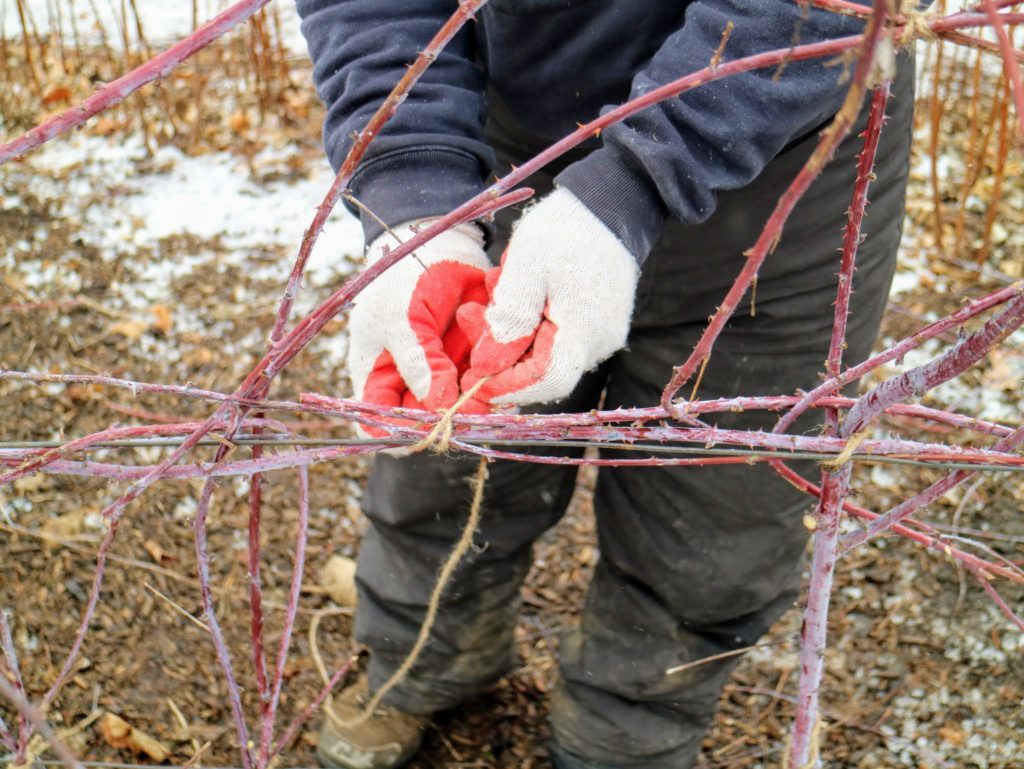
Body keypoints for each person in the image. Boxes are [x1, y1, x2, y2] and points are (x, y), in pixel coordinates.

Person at [297, 2, 914, 767]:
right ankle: (422, 658)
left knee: (721, 513)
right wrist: (415, 195)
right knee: (455, 448)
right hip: (521, 134)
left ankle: (627, 733)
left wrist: (637, 179)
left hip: (794, 146)